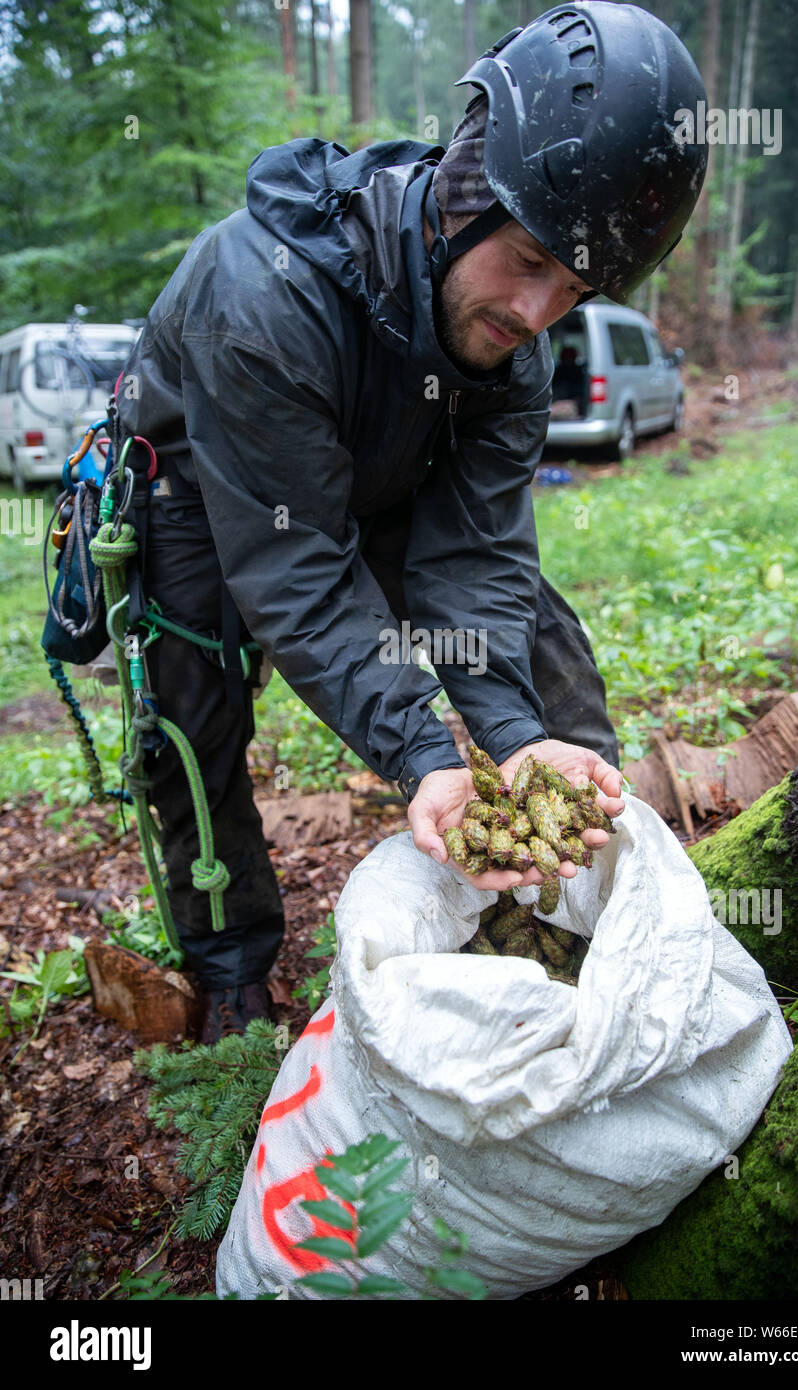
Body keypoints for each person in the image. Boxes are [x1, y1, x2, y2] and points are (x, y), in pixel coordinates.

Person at [113, 2, 707, 1042]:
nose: (534, 315)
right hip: (201, 493)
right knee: (189, 727)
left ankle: (575, 902)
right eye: (526, 261)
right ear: (461, 194)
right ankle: (232, 967)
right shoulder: (260, 293)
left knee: (535, 633)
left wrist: (511, 739)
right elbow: (298, 569)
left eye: (572, 291)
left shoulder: (516, 349)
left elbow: (474, 557)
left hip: (374, 465)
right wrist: (423, 753)